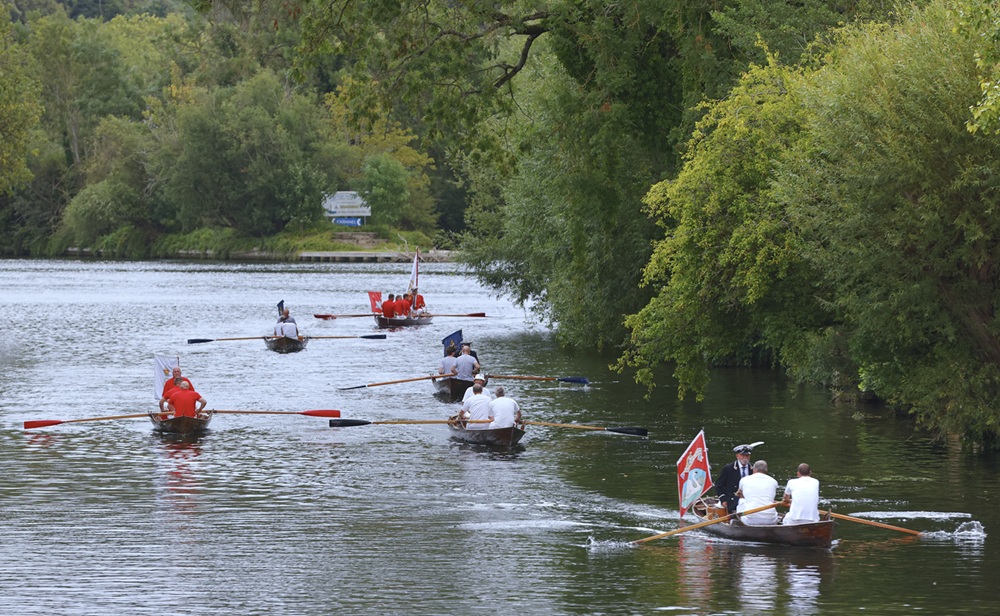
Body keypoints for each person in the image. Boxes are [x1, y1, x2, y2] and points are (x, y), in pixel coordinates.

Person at [715, 442, 759, 514]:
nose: (745, 458)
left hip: (750, 501)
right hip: (732, 501)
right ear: (737, 456)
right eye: (742, 455)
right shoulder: (728, 468)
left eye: (747, 455)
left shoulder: (754, 469)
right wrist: (723, 500)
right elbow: (719, 485)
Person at [736, 460, 779, 526]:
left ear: (754, 469)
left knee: (741, 500)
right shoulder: (774, 481)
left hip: (750, 520)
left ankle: (738, 522)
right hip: (771, 520)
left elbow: (739, 493)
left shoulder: (744, 479)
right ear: (766, 471)